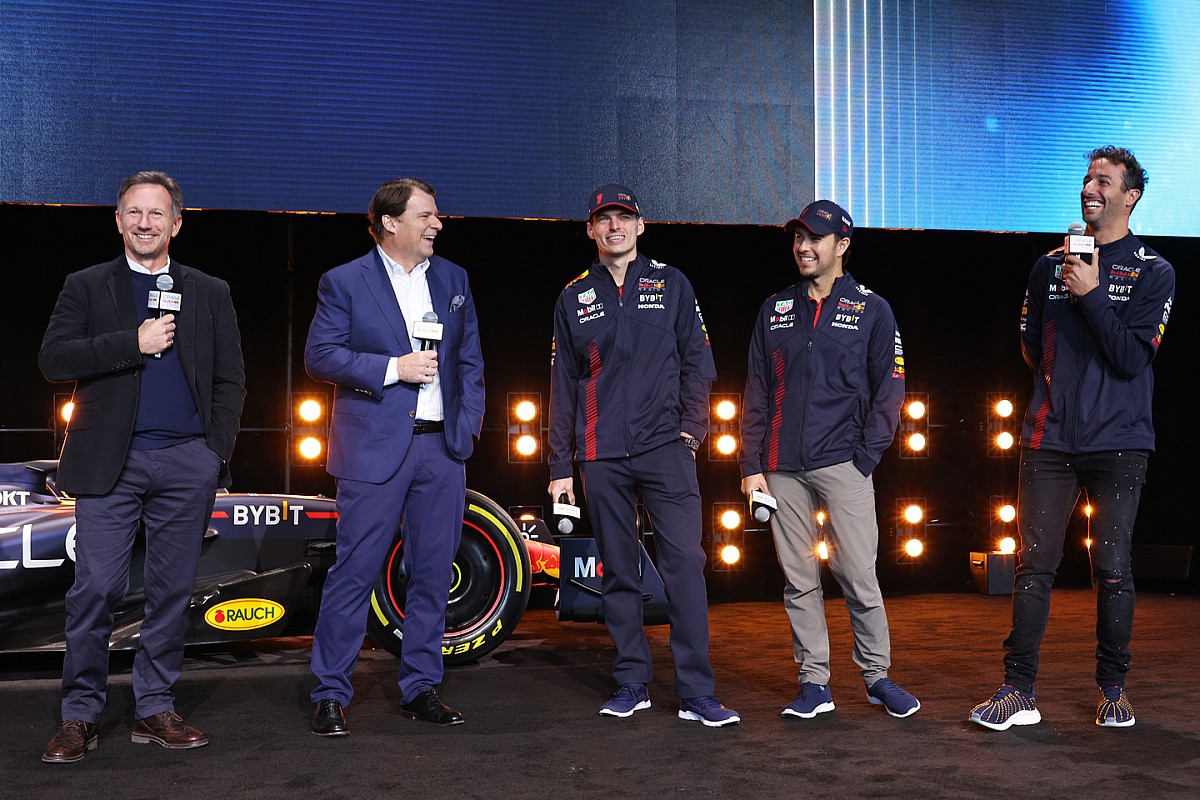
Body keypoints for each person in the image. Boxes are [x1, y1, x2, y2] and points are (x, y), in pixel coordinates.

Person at [37, 171, 246, 762]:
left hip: (187, 462)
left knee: (170, 592)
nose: (145, 222)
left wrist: (214, 453)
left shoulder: (209, 291)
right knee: (97, 587)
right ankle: (79, 715)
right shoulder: (87, 285)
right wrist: (133, 342)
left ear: (176, 223)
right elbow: (54, 358)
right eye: (134, 212)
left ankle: (155, 707)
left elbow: (230, 379)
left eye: (157, 214)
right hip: (112, 461)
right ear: (119, 220)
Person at [970, 147, 1175, 731]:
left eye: (1104, 181)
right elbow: (1031, 345)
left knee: (1110, 566)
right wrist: (1059, 391)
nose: (1091, 187)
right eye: (1087, 178)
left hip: (1119, 441)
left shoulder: (1153, 271)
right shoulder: (1047, 266)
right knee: (1034, 563)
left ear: (1129, 196)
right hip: (1050, 438)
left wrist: (1089, 294)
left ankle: (1113, 690)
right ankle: (1017, 690)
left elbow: (1133, 358)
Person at [547, 184, 738, 727]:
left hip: (665, 450)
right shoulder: (572, 296)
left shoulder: (671, 283)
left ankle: (698, 692)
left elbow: (699, 364)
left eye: (624, 218)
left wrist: (690, 435)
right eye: (604, 219)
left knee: (685, 567)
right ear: (590, 229)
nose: (614, 227)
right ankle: (632, 681)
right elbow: (562, 384)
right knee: (619, 574)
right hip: (600, 455)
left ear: (640, 225)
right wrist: (561, 467)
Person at [305, 178, 485, 736]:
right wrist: (393, 369)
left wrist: (466, 432)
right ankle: (331, 693)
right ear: (390, 223)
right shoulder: (344, 281)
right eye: (426, 215)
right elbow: (321, 356)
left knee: (433, 573)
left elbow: (470, 365)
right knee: (354, 573)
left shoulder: (453, 279)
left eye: (437, 215)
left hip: (441, 449)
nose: (437, 224)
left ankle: (420, 689)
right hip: (373, 450)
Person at [739, 200, 919, 720]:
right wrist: (751, 467)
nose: (803, 247)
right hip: (779, 467)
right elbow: (755, 392)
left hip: (844, 463)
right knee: (798, 578)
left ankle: (877, 677)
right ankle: (814, 682)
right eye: (798, 238)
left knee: (858, 573)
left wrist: (865, 458)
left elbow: (891, 389)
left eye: (815, 238)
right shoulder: (774, 308)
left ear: (841, 246)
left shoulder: (872, 309)